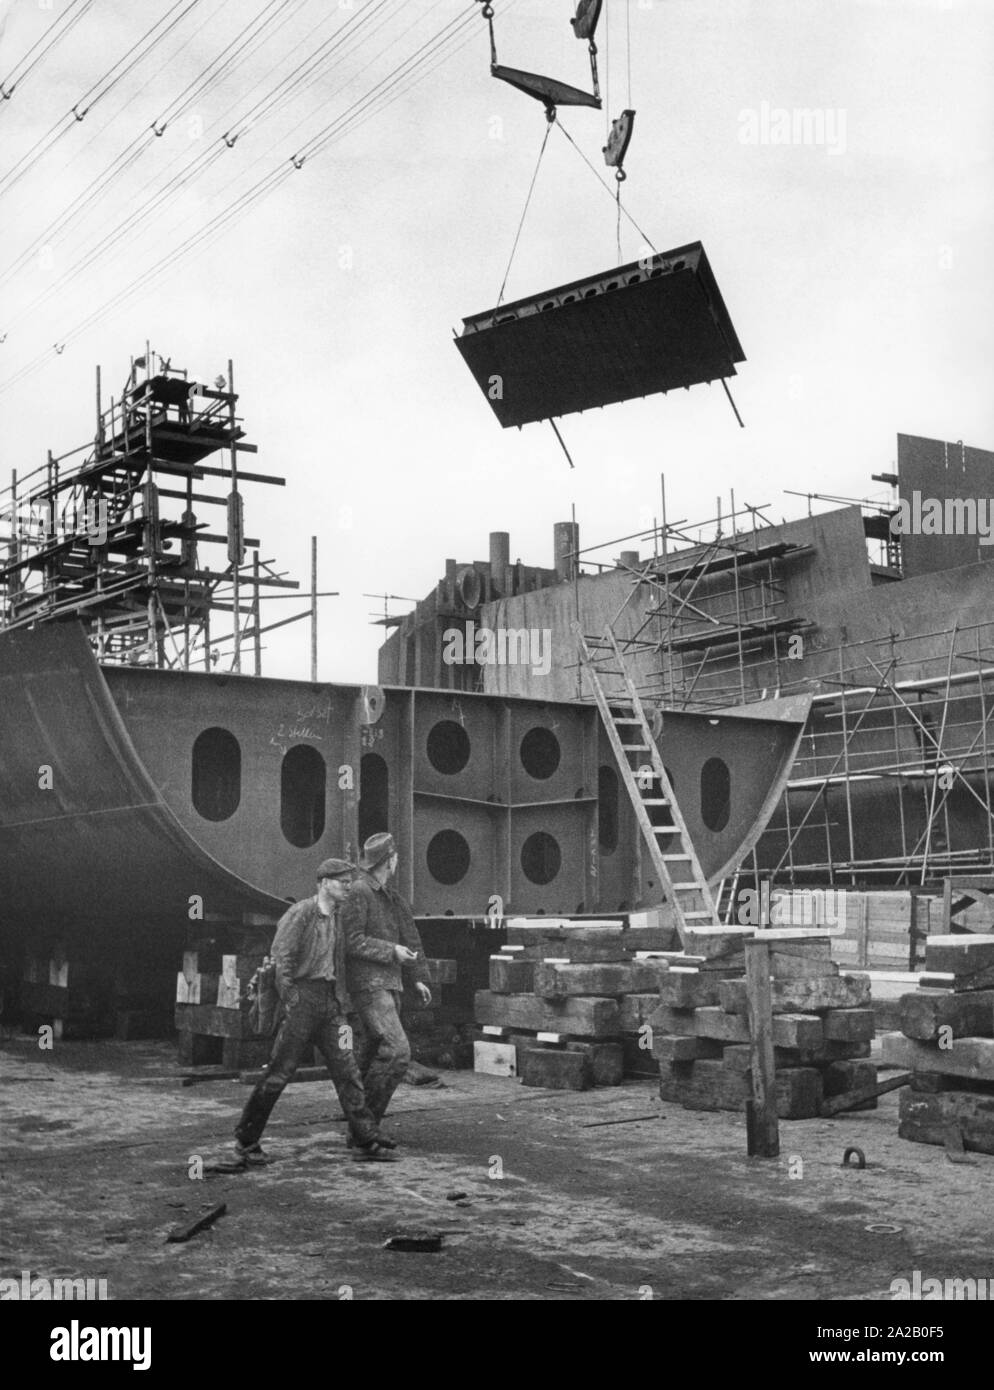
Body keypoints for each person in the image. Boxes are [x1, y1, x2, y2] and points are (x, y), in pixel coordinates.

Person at [233, 858, 394, 1164]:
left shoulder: (338, 916)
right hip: (302, 1003)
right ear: (323, 883)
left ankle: (366, 1139)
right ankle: (246, 1140)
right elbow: (282, 958)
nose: (348, 886)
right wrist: (292, 998)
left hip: (330, 1005)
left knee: (347, 1069)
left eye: (349, 881)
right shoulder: (301, 913)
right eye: (341, 881)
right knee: (280, 1073)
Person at [342, 833, 431, 1131]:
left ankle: (358, 1123)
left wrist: (418, 977)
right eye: (396, 857)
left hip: (389, 984)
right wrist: (390, 951)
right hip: (369, 985)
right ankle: (364, 1130)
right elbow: (351, 941)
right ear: (389, 860)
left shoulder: (391, 897)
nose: (398, 861)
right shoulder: (359, 892)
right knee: (397, 1051)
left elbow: (411, 936)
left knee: (369, 1053)